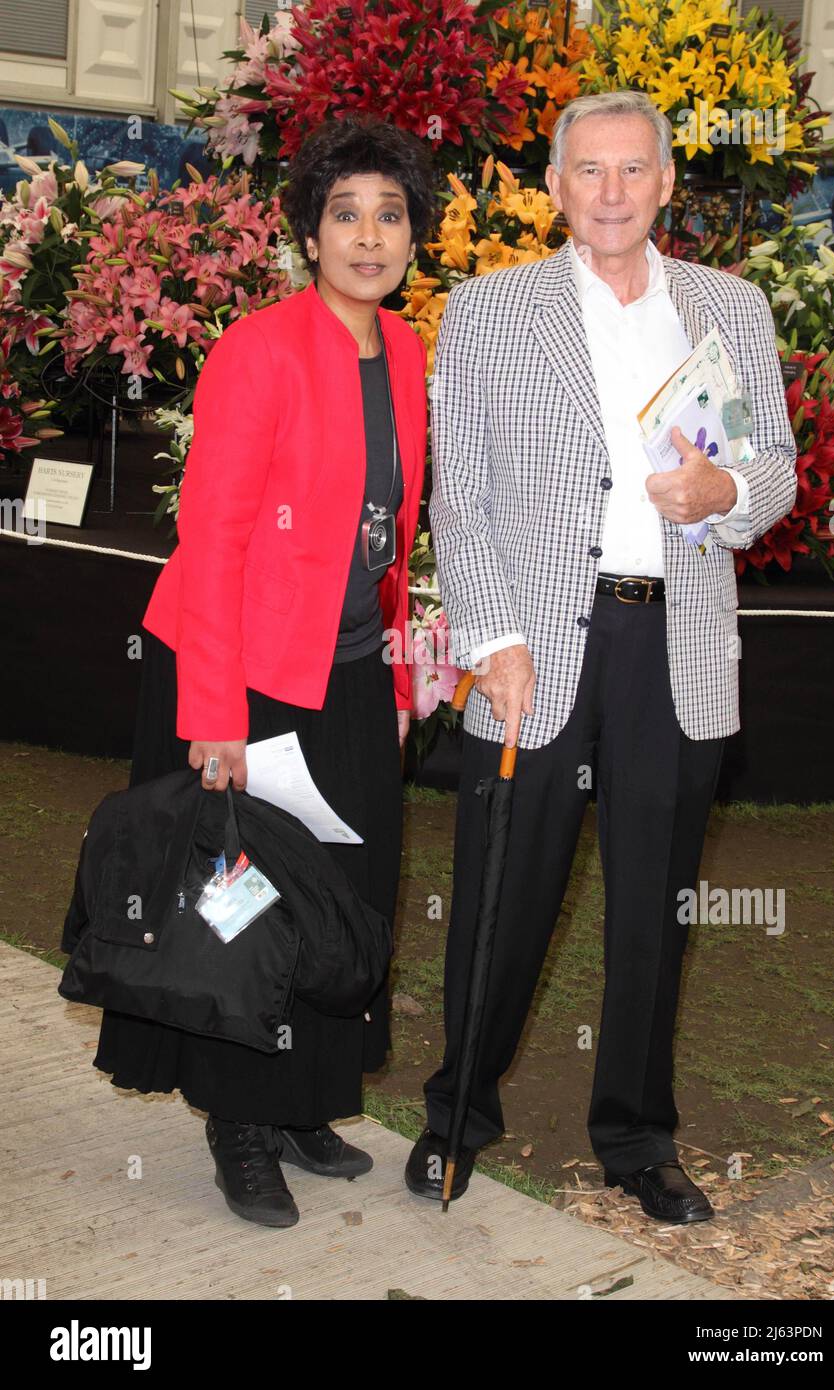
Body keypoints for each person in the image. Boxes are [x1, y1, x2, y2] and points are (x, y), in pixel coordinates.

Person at [405, 91, 797, 1222]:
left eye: (634, 171)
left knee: (653, 910)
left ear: (667, 184)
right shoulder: (488, 310)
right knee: (499, 893)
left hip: (674, 640)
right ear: (556, 186)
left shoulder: (732, 309)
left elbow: (772, 466)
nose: (613, 193)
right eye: (590, 171)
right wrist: (494, 638)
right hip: (535, 643)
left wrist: (728, 490)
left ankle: (636, 1135)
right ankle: (455, 1118)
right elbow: (459, 497)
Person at [92, 114, 436, 1228]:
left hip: (345, 674)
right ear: (309, 232)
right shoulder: (260, 347)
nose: (369, 236)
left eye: (389, 214)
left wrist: (391, 678)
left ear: (412, 234)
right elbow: (217, 536)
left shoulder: (410, 350)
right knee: (238, 906)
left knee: (341, 897)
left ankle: (304, 1100)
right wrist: (215, 715)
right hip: (239, 674)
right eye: (346, 214)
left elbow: (390, 534)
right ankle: (237, 1120)